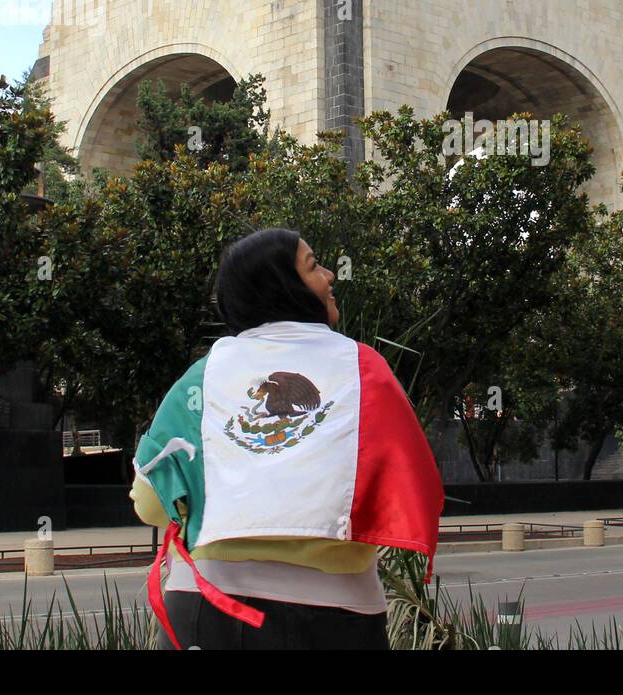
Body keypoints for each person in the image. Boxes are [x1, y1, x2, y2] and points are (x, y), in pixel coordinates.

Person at [130, 227, 444, 650]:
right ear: (284, 288)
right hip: (331, 617)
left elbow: (151, 503)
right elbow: (411, 486)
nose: (330, 275)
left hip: (203, 612)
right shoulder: (362, 370)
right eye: (314, 266)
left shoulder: (204, 377)